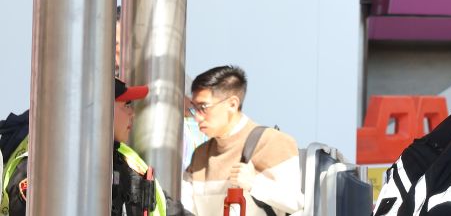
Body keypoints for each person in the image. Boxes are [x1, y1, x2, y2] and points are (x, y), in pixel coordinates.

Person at [2, 79, 169, 216]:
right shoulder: (44, 161)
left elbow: (167, 206)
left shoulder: (125, 158)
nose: (132, 113)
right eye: (126, 105)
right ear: (101, 109)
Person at [181, 65, 304, 216]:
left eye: (203, 107)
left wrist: (255, 184)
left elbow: (297, 203)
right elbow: (185, 207)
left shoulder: (274, 143)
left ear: (232, 104)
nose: (197, 117)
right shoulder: (199, 156)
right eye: (194, 109)